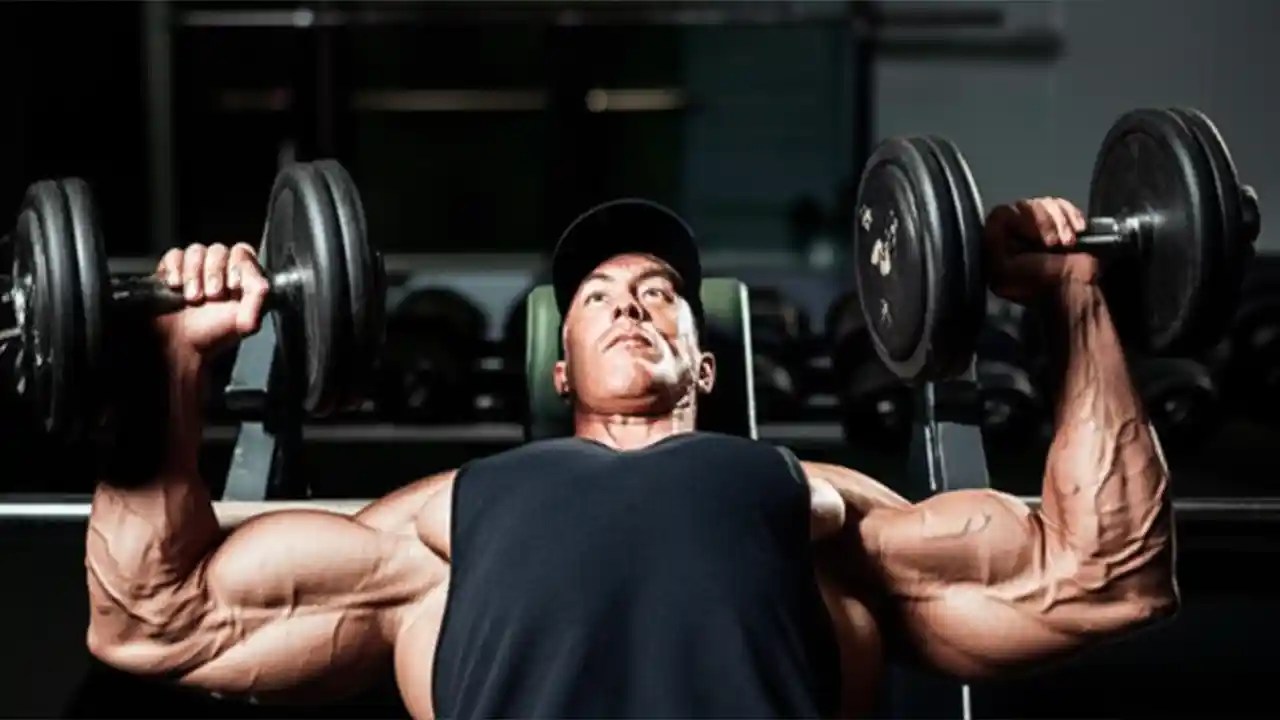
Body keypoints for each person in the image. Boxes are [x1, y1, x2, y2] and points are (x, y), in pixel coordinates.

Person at [84, 196, 1178, 719]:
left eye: (657, 292)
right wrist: (173, 362)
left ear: (704, 365)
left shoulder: (815, 509)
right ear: (558, 373)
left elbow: (1101, 575)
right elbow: (152, 619)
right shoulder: (441, 526)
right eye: (598, 297)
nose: (628, 303)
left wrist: (1078, 291)